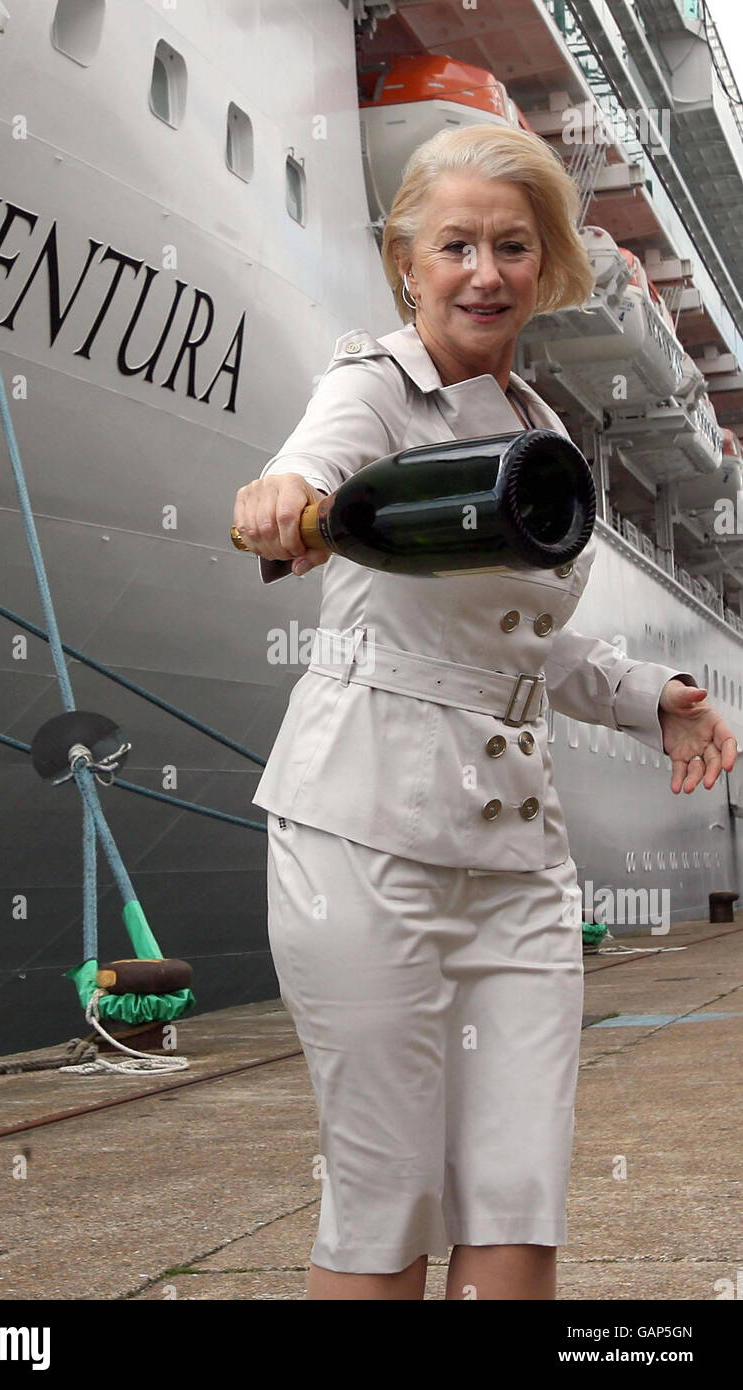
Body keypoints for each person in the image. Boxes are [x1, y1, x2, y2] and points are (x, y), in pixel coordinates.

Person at [230, 124, 738, 1301]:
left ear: (545, 265)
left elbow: (531, 639)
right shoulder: (370, 388)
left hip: (516, 860)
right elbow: (311, 470)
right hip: (366, 840)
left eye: (512, 246)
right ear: (408, 261)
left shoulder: (545, 437)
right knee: (384, 1193)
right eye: (455, 244)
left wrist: (649, 696)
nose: (484, 271)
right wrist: (283, 499)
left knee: (517, 1188)